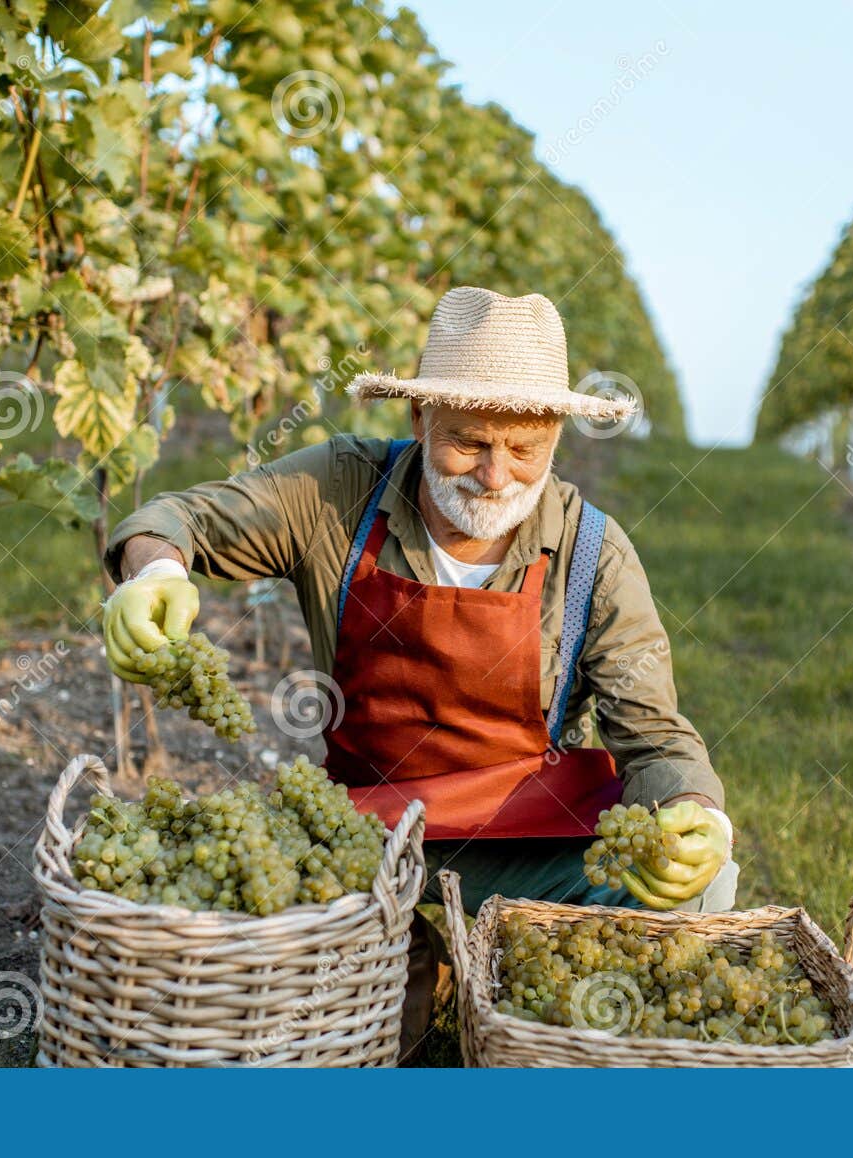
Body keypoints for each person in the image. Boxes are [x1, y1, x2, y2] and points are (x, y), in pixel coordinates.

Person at [102, 286, 736, 1056]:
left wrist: (694, 810)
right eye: (468, 443)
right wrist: (153, 574)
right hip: (363, 831)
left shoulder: (594, 553)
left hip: (525, 840)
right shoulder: (338, 491)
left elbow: (656, 738)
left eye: (526, 450)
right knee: (247, 971)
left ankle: (498, 979)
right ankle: (408, 966)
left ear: (558, 440)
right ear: (417, 419)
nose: (495, 475)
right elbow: (180, 518)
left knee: (699, 888)